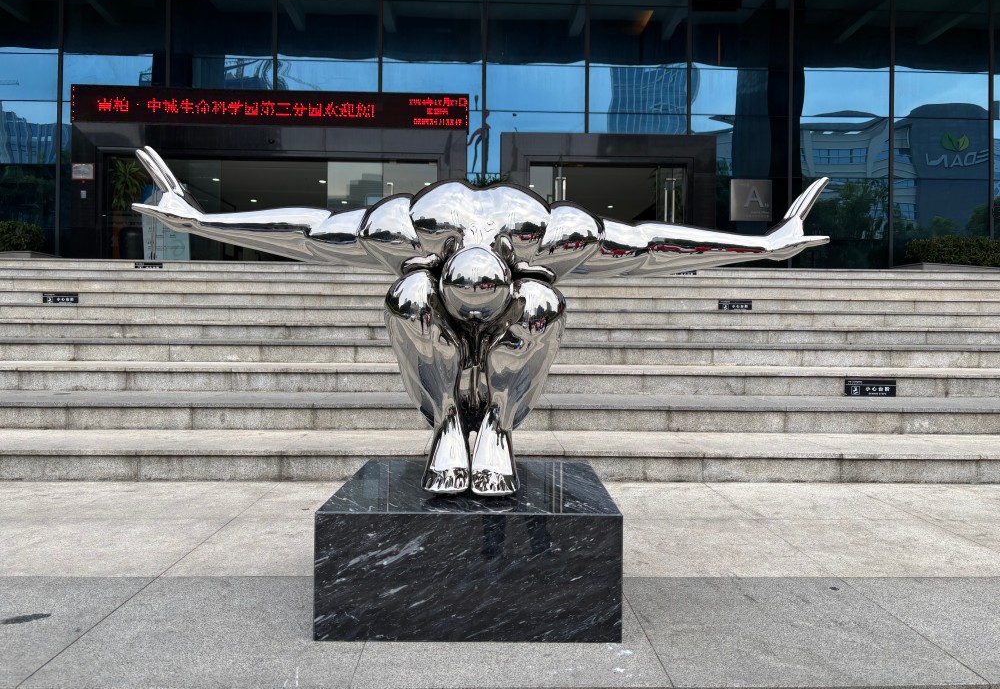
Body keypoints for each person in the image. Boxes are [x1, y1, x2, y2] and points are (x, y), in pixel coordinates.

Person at [133, 146, 829, 496]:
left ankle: (494, 428)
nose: (474, 321)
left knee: (547, 306)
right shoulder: (408, 230)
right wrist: (200, 220)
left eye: (480, 309)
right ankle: (446, 427)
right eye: (467, 307)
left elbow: (649, 244)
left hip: (528, 302)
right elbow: (310, 229)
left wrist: (763, 246)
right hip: (421, 294)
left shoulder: (548, 236)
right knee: (405, 297)